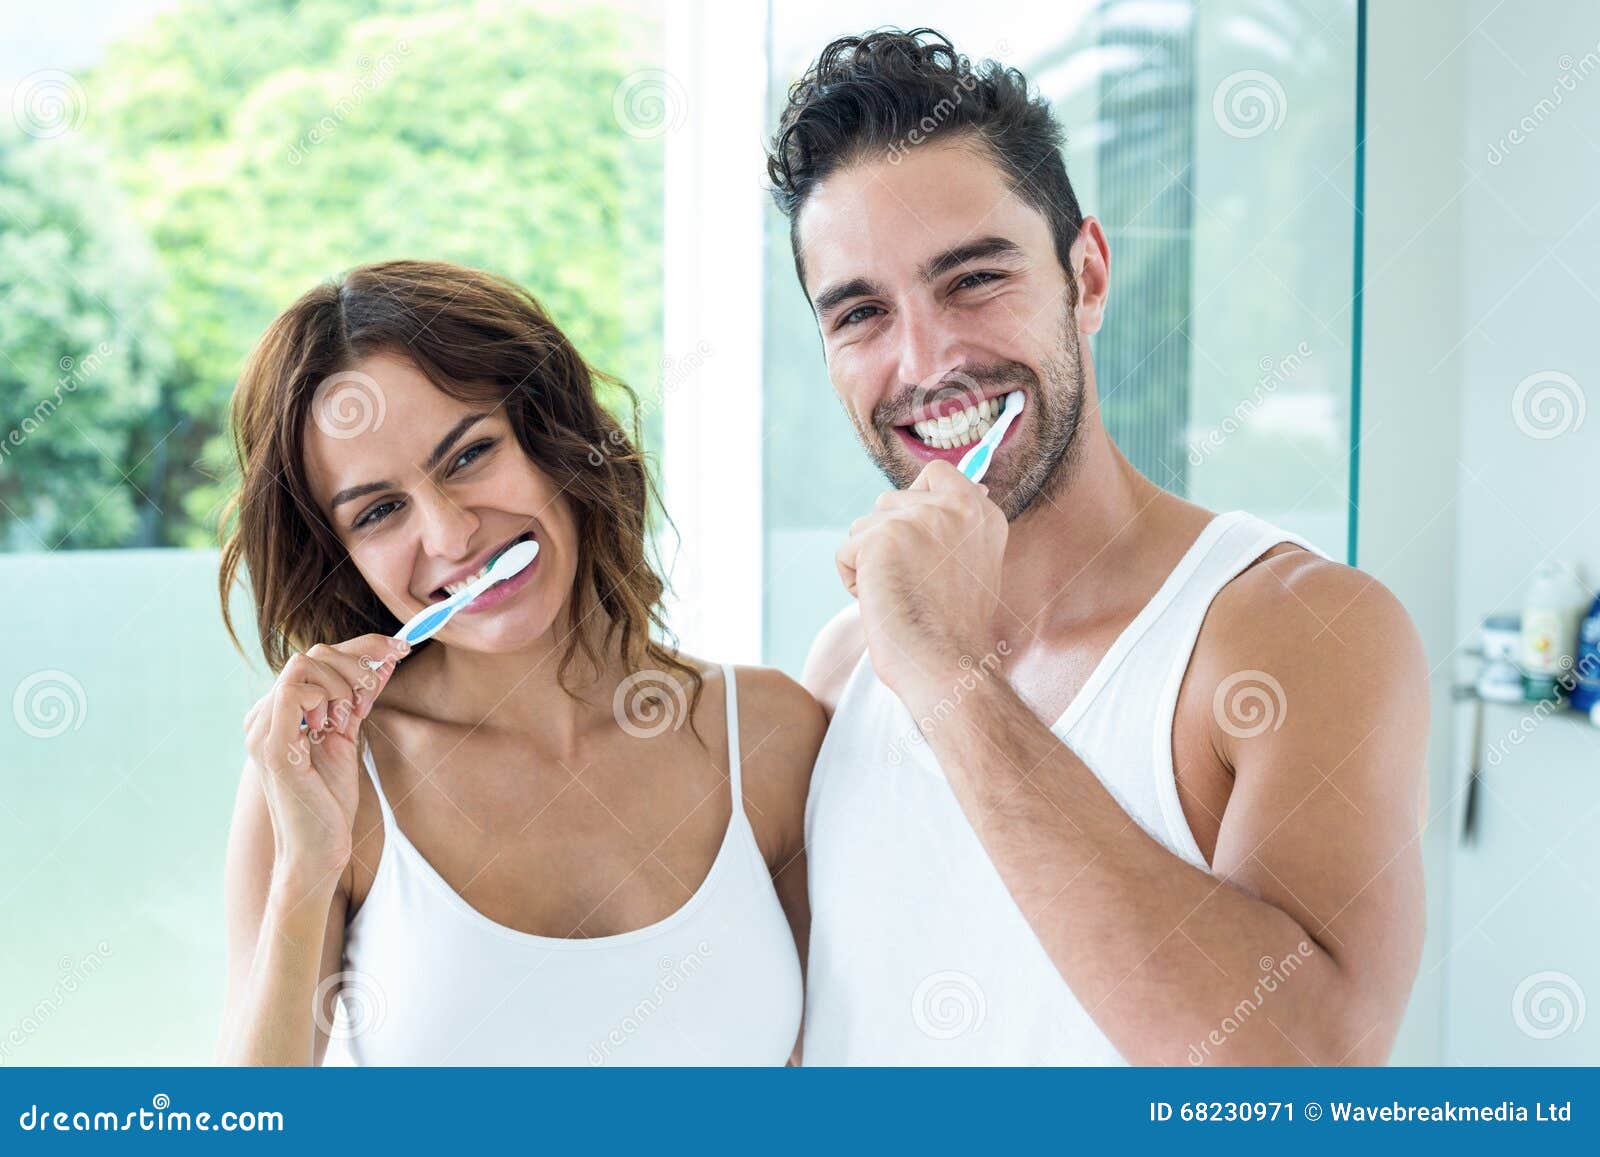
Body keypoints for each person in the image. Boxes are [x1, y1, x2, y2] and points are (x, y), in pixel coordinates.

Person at [768, 29, 1429, 1065]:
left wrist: (947, 673)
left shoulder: (1295, 630)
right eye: (860, 312)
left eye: (973, 280)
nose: (926, 360)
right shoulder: (849, 660)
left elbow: (1305, 1079)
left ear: (1086, 276)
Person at [216, 260, 822, 1065]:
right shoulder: (325, 782)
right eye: (381, 510)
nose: (450, 533)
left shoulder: (770, 736)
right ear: (341, 556)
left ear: (555, 439)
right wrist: (305, 871)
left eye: (468, 455)